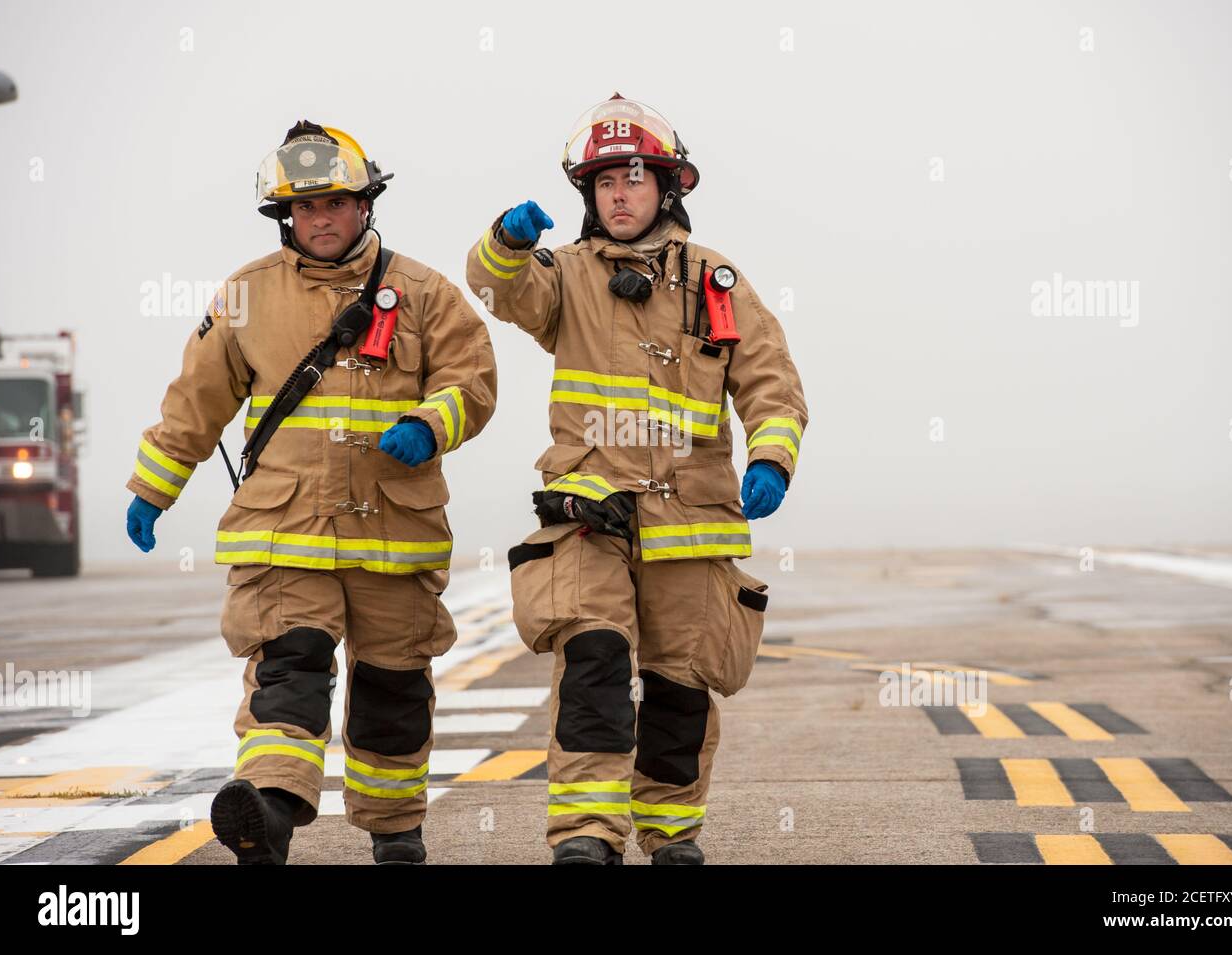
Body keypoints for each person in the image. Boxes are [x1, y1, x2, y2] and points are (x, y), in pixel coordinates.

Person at [125, 120, 497, 864]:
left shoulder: (425, 293)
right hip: (284, 534)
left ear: (366, 204)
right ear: (284, 217)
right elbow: (196, 402)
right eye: (304, 208)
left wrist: (433, 423)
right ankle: (269, 812)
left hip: (396, 535)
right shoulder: (244, 296)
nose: (320, 219)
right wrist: (152, 488)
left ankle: (396, 835)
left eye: (335, 203)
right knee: (288, 672)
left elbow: (474, 380)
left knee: (392, 693)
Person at [466, 94, 807, 864]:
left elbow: (773, 384)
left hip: (694, 521)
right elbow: (497, 289)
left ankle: (671, 833)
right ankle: (585, 837)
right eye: (604, 182)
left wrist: (771, 458)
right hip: (590, 514)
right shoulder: (565, 277)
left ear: (666, 186)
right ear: (587, 195)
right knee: (593, 666)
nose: (618, 194)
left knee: (681, 689)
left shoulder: (718, 281)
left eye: (633, 178)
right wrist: (504, 245)